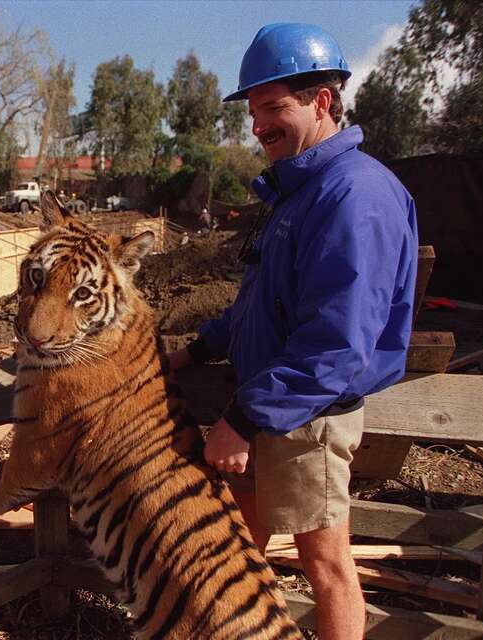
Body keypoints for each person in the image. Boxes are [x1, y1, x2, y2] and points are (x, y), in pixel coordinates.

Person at [170, 23, 417, 640]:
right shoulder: (301, 193)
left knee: (325, 564)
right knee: (237, 548)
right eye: (253, 111)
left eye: (273, 107)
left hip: (308, 413)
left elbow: (338, 341)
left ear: (322, 101)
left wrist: (242, 419)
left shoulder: (354, 195)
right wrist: (195, 350)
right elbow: (263, 307)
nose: (259, 125)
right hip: (274, 403)